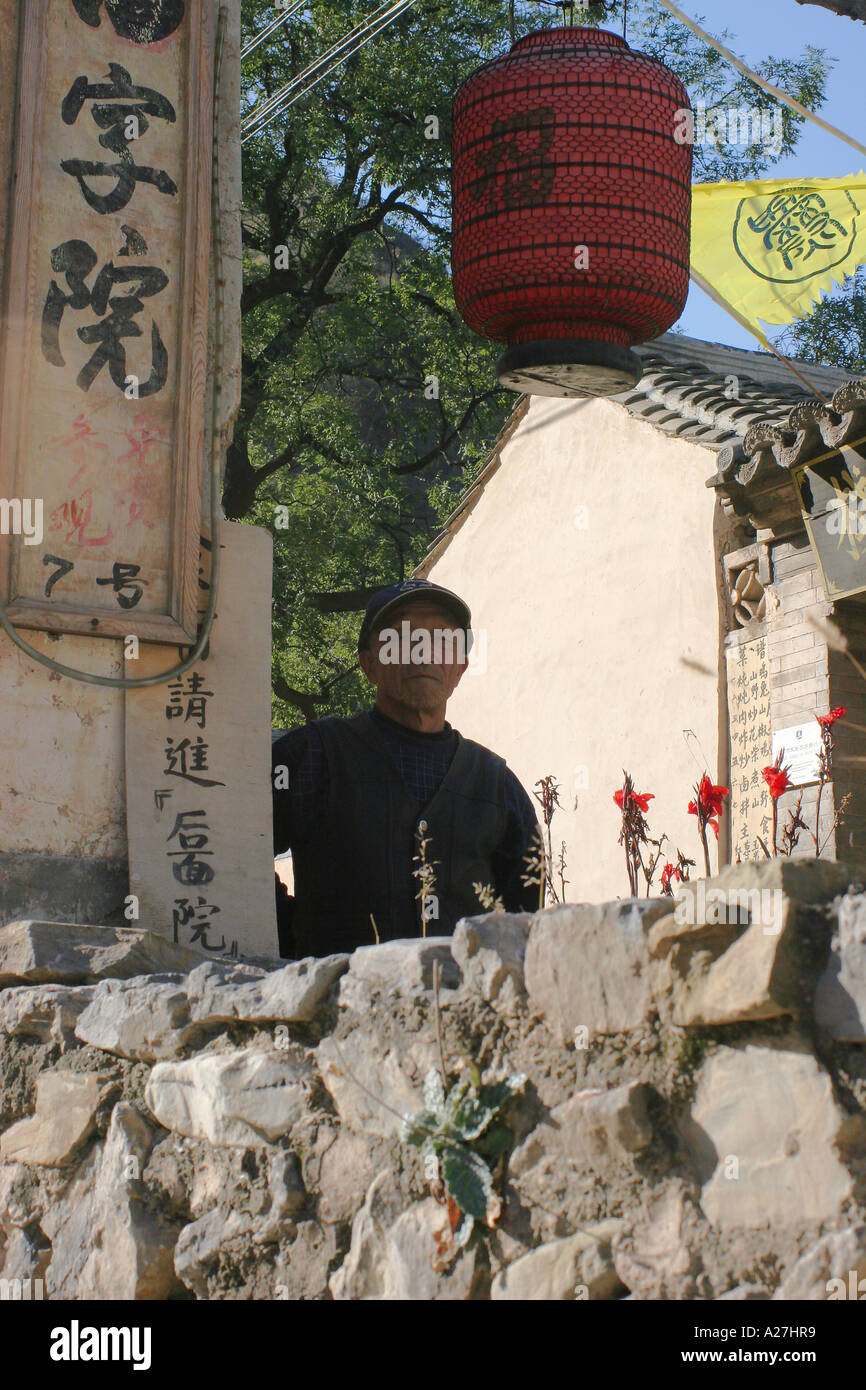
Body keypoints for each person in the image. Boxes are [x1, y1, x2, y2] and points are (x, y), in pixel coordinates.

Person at [271, 578, 541, 959]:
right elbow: (233, 849)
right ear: (369, 664)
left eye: (442, 640)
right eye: (402, 638)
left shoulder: (498, 787)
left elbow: (526, 924)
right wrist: (292, 939)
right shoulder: (312, 756)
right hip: (337, 1009)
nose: (423, 652)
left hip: (461, 1012)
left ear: (461, 665)